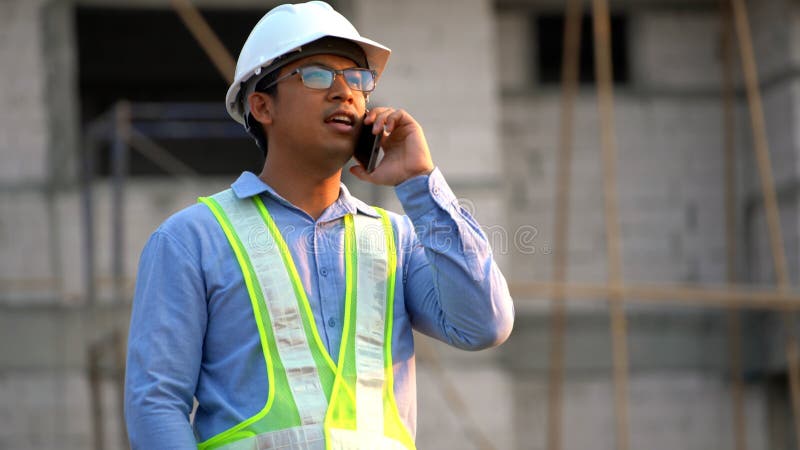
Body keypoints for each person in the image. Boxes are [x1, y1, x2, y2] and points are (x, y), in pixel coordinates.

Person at [124, 1, 514, 449]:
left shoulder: (398, 241)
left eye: (357, 79)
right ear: (262, 106)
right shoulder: (191, 240)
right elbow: (156, 404)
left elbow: (485, 324)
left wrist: (421, 184)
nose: (344, 91)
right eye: (316, 75)